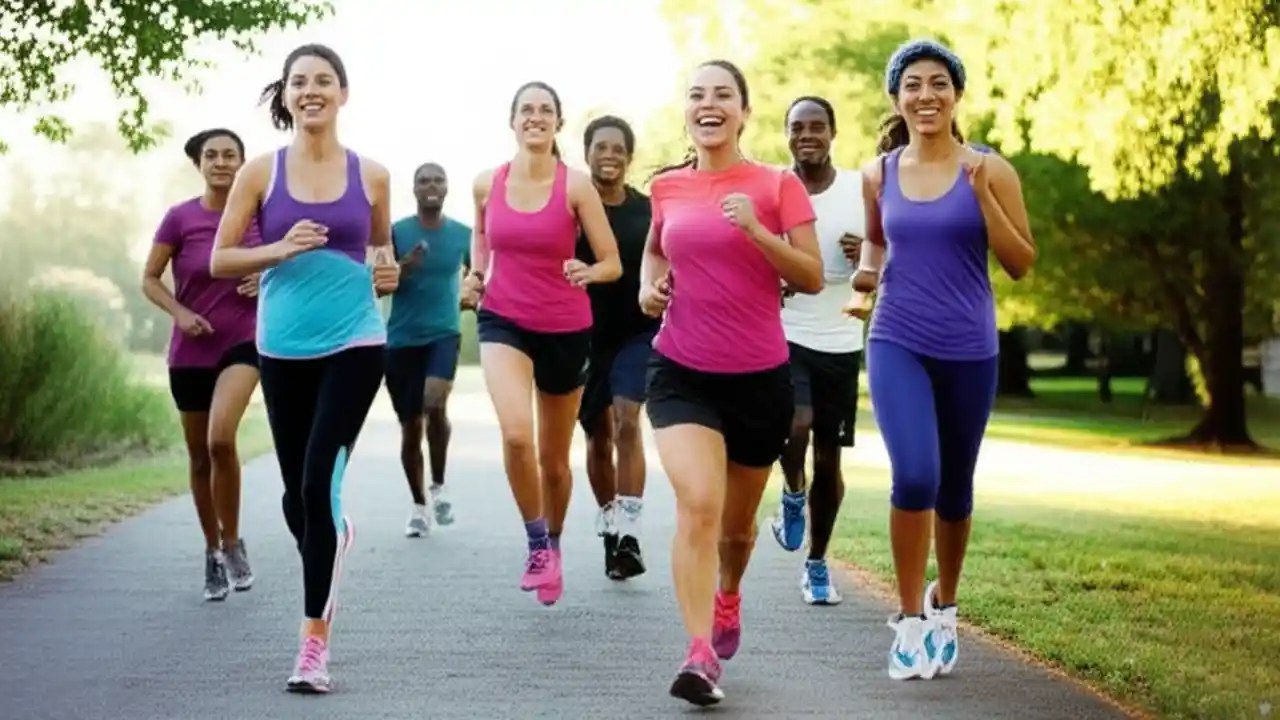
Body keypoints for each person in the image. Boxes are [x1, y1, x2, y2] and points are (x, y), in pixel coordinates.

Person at [209, 43, 400, 694]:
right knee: (299, 498)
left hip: (355, 342)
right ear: (286, 96)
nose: (311, 90)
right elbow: (221, 259)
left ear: (344, 93)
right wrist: (276, 249)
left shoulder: (372, 174)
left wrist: (387, 270)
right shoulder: (260, 173)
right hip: (282, 349)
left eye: (324, 80)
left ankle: (313, 645)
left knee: (319, 484)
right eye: (299, 82)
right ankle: (328, 535)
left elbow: (379, 248)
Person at [846, 39, 1036, 681]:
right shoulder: (878, 172)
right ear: (896, 97)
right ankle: (907, 622)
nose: (925, 95)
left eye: (938, 84)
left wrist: (982, 196)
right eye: (913, 85)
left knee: (956, 488)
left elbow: (1020, 264)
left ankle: (945, 605)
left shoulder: (992, 169)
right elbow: (875, 246)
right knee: (918, 477)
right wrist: (862, 284)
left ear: (956, 94)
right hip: (898, 338)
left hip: (970, 347)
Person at [640, 60, 823, 706]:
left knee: (736, 531)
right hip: (680, 371)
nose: (708, 104)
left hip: (759, 381)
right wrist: (648, 287)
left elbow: (809, 276)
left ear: (744, 111)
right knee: (697, 503)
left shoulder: (777, 186)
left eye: (722, 95)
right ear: (685, 111)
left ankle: (728, 594)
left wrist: (754, 229)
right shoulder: (667, 188)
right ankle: (696, 654)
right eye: (696, 95)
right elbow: (658, 248)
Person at [463, 80, 621, 608]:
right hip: (503, 319)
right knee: (515, 436)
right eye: (526, 110)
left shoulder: (576, 187)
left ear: (558, 122)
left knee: (555, 462)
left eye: (545, 110)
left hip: (565, 327)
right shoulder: (487, 183)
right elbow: (482, 238)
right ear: (512, 121)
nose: (535, 117)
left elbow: (613, 262)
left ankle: (553, 545)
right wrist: (476, 276)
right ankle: (535, 542)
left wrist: (588, 270)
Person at [142, 127, 261, 602]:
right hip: (190, 350)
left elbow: (290, 259)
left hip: (244, 341)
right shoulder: (180, 218)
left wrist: (266, 273)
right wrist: (180, 312)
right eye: (212, 155)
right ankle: (212, 551)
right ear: (199, 164)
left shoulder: (260, 215)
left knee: (220, 439)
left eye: (231, 155)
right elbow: (149, 279)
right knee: (197, 456)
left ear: (242, 163)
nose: (221, 162)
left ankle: (233, 542)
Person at [767, 96, 866, 606]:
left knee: (830, 458)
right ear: (786, 134)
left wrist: (865, 252)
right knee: (795, 423)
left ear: (833, 133)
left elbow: (885, 249)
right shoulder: (772, 187)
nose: (807, 135)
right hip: (785, 331)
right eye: (797, 127)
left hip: (842, 338)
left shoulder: (857, 188)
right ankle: (790, 491)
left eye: (817, 127)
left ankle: (817, 562)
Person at [574, 115, 657, 581]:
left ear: (629, 155)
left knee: (628, 418)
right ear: (586, 153)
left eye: (617, 148)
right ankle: (610, 531)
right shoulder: (572, 208)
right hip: (584, 336)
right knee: (597, 435)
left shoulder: (647, 211)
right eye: (600, 147)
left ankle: (629, 531)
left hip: (638, 330)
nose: (609, 155)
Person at [384, 161, 471, 537]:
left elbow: (482, 274)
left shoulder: (463, 235)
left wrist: (473, 293)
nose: (431, 185)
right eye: (423, 181)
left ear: (447, 187)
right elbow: (377, 284)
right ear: (415, 189)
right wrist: (405, 266)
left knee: (435, 401)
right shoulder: (396, 232)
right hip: (401, 340)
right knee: (410, 429)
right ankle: (419, 505)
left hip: (443, 333)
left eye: (438, 179)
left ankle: (439, 484)